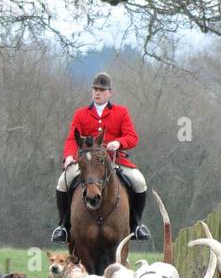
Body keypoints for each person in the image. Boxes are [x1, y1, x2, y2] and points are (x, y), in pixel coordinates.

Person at [51, 71, 150, 242]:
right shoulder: (80, 114)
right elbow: (71, 139)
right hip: (87, 163)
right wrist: (68, 156)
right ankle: (63, 226)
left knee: (139, 181)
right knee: (62, 182)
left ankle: (136, 224)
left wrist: (118, 143)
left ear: (109, 93)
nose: (97, 92)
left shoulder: (121, 112)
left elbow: (132, 136)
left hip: (114, 160)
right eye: (95, 89)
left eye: (102, 90)